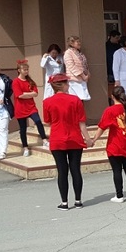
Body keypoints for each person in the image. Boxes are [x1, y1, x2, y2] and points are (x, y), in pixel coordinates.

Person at [43, 74, 90, 210]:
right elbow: (82, 122)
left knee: (62, 171)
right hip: (74, 137)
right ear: (62, 85)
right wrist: (87, 139)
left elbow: (48, 121)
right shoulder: (75, 100)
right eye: (67, 83)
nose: (68, 85)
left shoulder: (47, 102)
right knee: (75, 169)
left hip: (57, 138)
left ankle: (64, 202)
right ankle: (78, 200)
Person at [91, 85, 126, 203]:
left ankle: (119, 195)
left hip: (115, 144)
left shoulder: (110, 110)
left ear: (112, 97)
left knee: (117, 170)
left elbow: (102, 127)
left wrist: (94, 139)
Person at [13, 60, 48, 157]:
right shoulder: (16, 82)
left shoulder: (30, 81)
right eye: (24, 69)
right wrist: (29, 94)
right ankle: (25, 147)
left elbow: (36, 93)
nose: (26, 71)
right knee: (23, 128)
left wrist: (26, 94)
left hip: (31, 107)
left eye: (27, 69)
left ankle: (44, 140)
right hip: (20, 108)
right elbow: (19, 95)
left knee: (38, 121)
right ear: (19, 70)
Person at [63, 35, 91, 102]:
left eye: (79, 41)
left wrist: (88, 74)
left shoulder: (79, 53)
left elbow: (85, 65)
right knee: (75, 100)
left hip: (82, 80)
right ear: (71, 43)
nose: (79, 43)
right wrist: (83, 76)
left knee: (81, 100)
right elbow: (72, 66)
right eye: (77, 42)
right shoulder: (68, 53)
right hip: (74, 80)